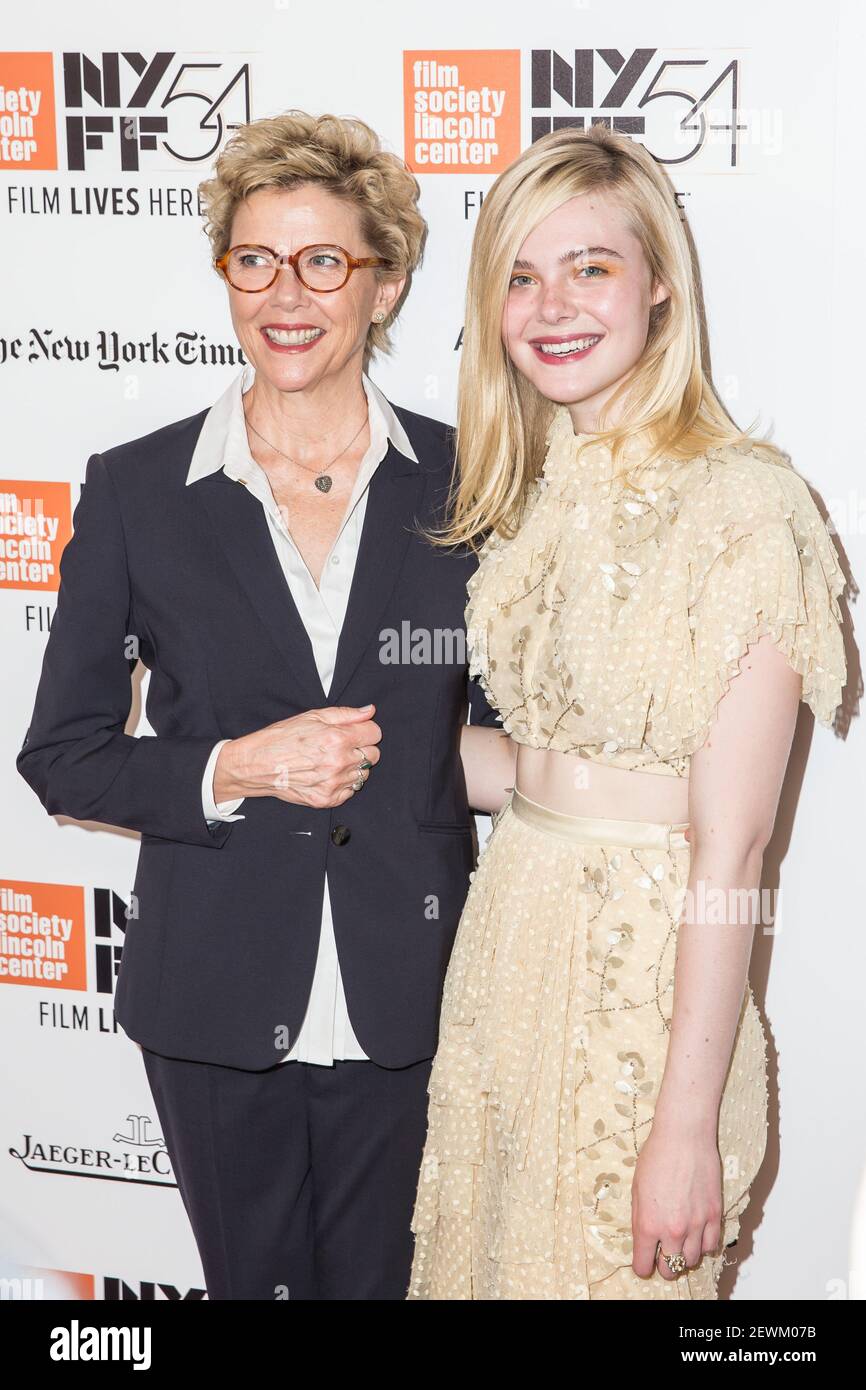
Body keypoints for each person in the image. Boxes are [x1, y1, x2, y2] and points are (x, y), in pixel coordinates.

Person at [16, 110, 510, 1301]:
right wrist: (228, 768)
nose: (286, 294)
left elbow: (508, 728)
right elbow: (64, 756)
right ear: (226, 276)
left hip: (416, 986)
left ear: (382, 285)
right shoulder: (138, 491)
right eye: (255, 260)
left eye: (323, 261)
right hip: (213, 995)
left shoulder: (472, 482)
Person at [407, 125, 848, 1299]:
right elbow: (543, 769)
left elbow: (732, 839)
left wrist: (684, 1123)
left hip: (644, 997)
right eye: (518, 273)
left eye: (588, 267)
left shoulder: (746, 506)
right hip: (508, 955)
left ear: (659, 283)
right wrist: (343, 737)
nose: (549, 305)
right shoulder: (533, 489)